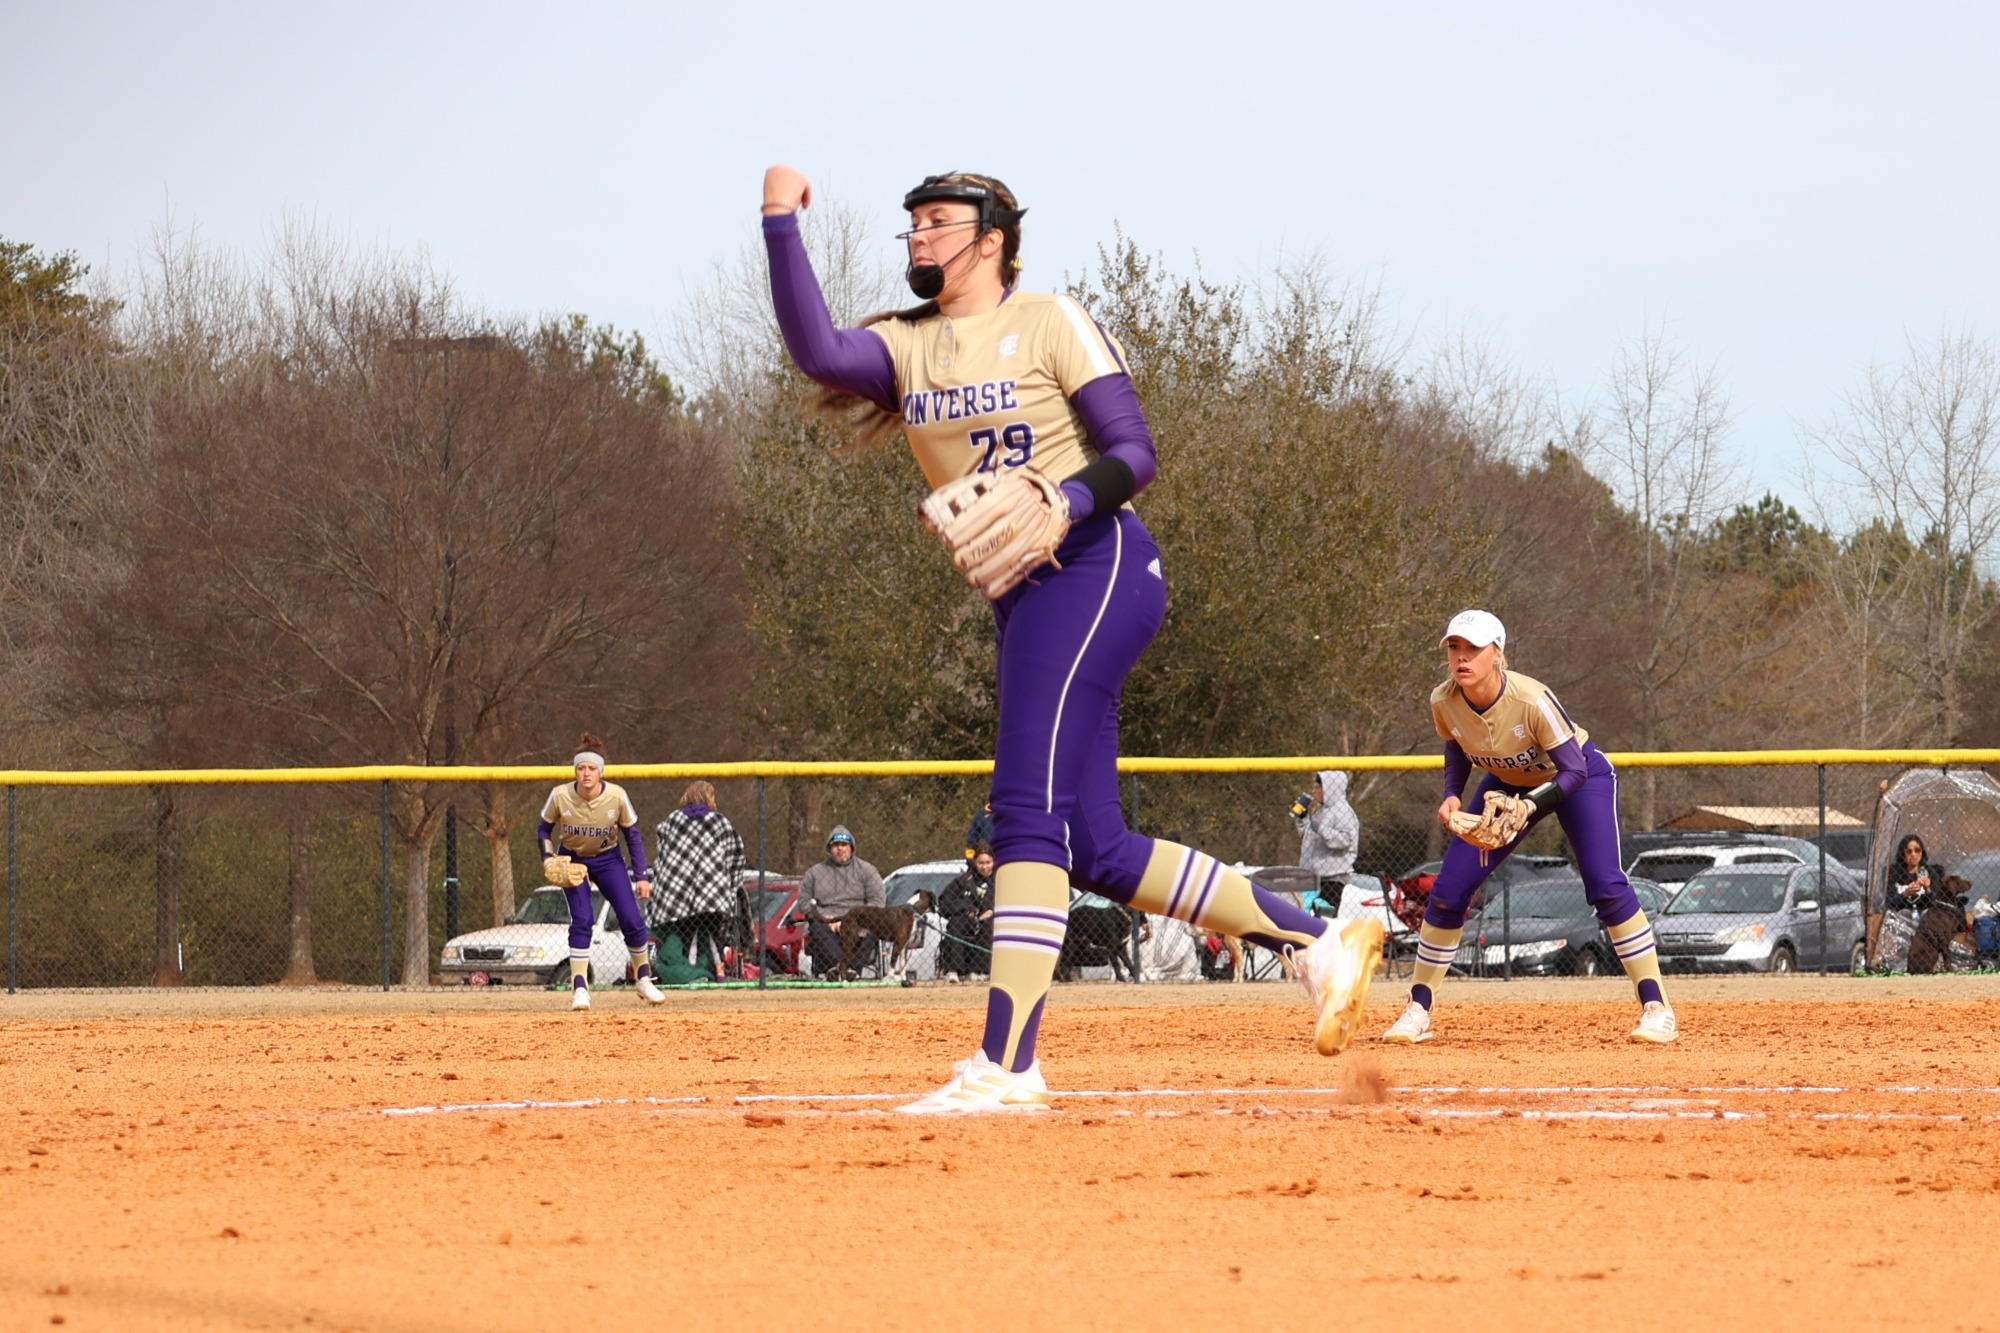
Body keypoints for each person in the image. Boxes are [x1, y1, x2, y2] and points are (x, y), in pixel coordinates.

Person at [762, 164, 1383, 1113]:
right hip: (1027, 599)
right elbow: (813, 348)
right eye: (914, 225)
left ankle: (1010, 1063)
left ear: (992, 239)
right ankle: (1318, 942)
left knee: (1024, 813)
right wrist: (779, 221)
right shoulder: (908, 347)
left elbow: (1135, 452)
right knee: (1095, 847)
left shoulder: (1052, 321)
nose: (920, 238)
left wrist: (1064, 496)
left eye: (939, 223)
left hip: (1095, 568)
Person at [1383, 610, 1676, 1045]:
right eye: (1455, 648)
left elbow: (1573, 769)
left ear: (1497, 654)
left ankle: (1657, 1007)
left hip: (1577, 779)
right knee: (1448, 892)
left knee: (1606, 885)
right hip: (1504, 784)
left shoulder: (1531, 699)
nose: (1462, 658)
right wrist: (1452, 794)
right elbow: (1458, 746)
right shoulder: (1442, 700)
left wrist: (1530, 804)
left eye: (1474, 648)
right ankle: (1418, 1008)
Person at [536, 732, 664, 1011]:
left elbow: (633, 836)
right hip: (573, 860)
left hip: (608, 859)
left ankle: (643, 979)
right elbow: (544, 829)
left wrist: (641, 876)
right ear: (575, 771)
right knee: (582, 919)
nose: (586, 773)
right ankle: (580, 987)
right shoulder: (560, 795)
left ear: (601, 772)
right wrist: (548, 856)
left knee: (631, 918)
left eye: (591, 768)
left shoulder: (616, 796)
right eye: (581, 768)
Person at [650, 780, 749, 981]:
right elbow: (735, 853)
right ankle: (716, 972)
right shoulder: (718, 822)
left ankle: (690, 971)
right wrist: (730, 883)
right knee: (710, 934)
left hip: (675, 895)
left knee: (683, 934)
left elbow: (661, 855)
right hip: (712, 893)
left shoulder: (673, 820)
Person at [796, 826, 885, 976]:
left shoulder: (867, 870)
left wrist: (854, 920)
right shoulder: (814, 873)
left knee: (874, 926)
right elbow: (804, 902)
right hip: (827, 922)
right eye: (836, 845)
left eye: (844, 845)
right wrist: (826, 918)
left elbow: (878, 901)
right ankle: (841, 968)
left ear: (851, 847)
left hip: (859, 921)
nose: (840, 849)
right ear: (829, 848)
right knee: (817, 928)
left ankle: (851, 970)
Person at [1293, 770, 1359, 913]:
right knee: (1306, 919)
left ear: (1329, 788)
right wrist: (1302, 819)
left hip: (1332, 879)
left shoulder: (1343, 811)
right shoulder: (1322, 811)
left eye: (1317, 787)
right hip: (1314, 877)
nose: (1314, 791)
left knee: (1324, 919)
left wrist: (1321, 829)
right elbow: (1309, 838)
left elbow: (1345, 840)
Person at [937, 842, 996, 982]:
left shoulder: (1000, 880)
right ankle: (954, 971)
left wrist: (993, 911)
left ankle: (979, 971)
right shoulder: (963, 881)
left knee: (990, 924)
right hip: (967, 921)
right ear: (974, 862)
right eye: (981, 862)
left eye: (988, 862)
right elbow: (944, 904)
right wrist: (966, 909)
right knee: (956, 923)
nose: (985, 866)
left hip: (990, 922)